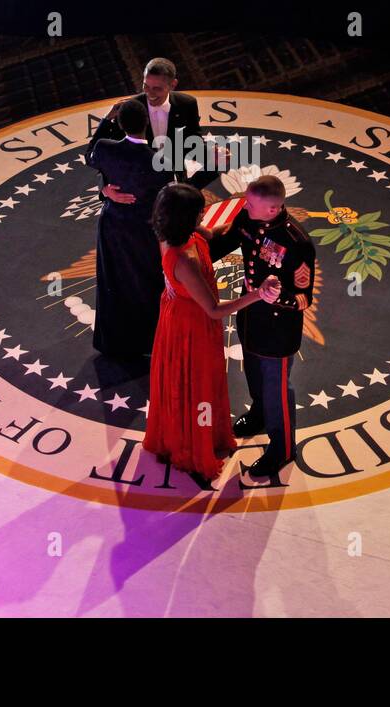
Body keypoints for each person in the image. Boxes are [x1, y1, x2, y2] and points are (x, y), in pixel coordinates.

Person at [144, 183, 279, 486]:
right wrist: (258, 294)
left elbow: (215, 233)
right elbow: (215, 310)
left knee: (189, 383)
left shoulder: (179, 233)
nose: (203, 214)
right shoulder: (183, 260)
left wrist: (247, 220)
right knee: (196, 385)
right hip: (190, 327)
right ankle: (192, 448)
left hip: (181, 315)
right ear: (186, 217)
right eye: (198, 211)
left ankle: (191, 435)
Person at [204, 175, 316, 479]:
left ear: (272, 209)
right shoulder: (248, 217)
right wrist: (192, 252)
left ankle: (282, 447)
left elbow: (304, 298)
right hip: (250, 315)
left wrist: (277, 297)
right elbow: (225, 243)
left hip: (279, 328)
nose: (244, 206)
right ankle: (258, 415)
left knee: (276, 387)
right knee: (253, 371)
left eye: (251, 204)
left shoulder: (296, 242)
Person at [87, 100, 175, 357]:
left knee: (113, 280)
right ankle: (149, 342)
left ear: (119, 123)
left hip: (113, 227)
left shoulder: (105, 148)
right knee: (146, 282)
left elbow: (90, 154)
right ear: (146, 122)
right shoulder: (159, 160)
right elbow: (167, 196)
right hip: (144, 231)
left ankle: (115, 342)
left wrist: (107, 119)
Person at [85, 57, 217, 195]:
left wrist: (210, 155)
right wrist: (105, 189)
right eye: (145, 86)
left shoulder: (187, 104)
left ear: (173, 84)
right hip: (136, 187)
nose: (150, 93)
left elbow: (193, 141)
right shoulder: (130, 109)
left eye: (157, 88)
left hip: (174, 181)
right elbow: (109, 155)